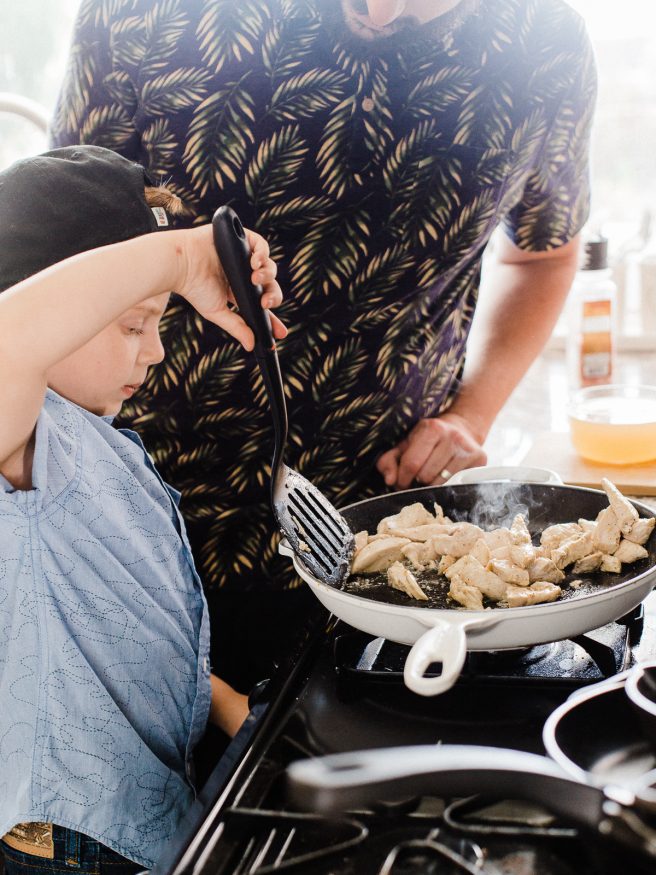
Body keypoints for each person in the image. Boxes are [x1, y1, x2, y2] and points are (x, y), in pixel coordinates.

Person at [51, 0, 597, 691]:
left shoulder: (542, 40)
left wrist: (472, 413)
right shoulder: (144, 13)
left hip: (386, 544)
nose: (382, 10)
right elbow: (58, 252)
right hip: (132, 528)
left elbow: (541, 256)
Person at [0, 145, 285, 874]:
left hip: (145, 822)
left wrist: (246, 718)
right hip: (63, 848)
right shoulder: (24, 447)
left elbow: (132, 640)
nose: (156, 351)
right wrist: (178, 260)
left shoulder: (102, 449)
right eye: (133, 325)